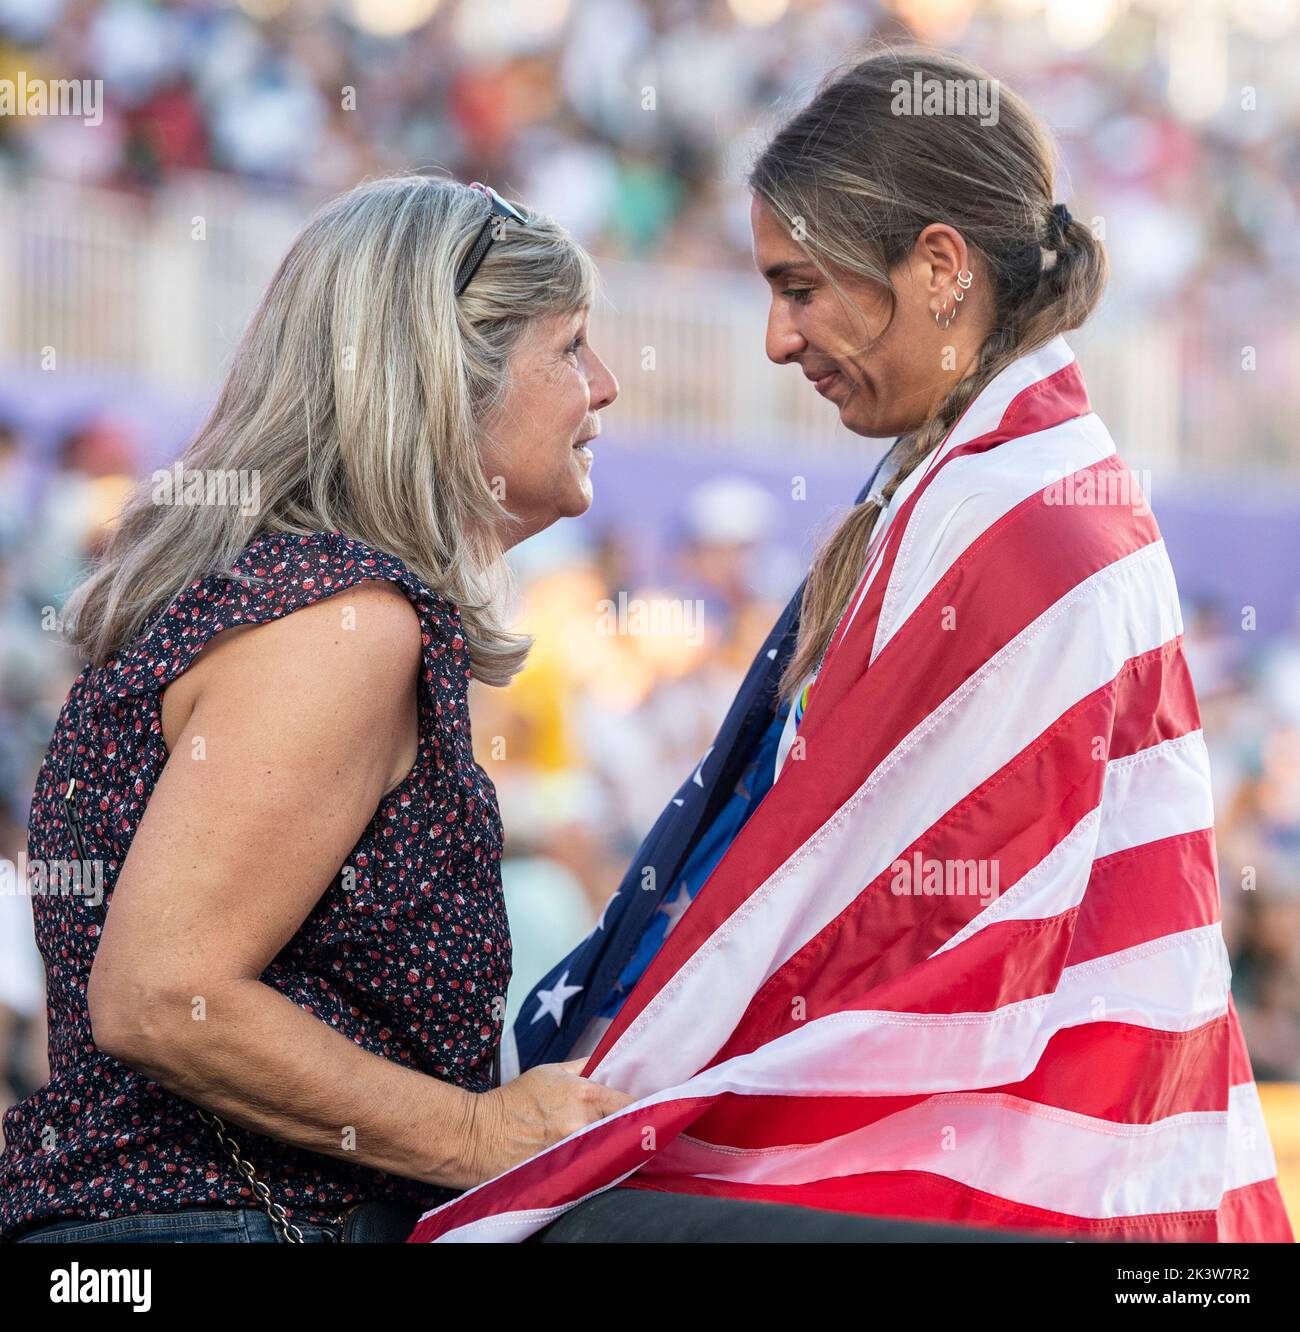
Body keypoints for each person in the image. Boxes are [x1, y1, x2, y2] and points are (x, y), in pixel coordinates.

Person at [474, 48, 1294, 1245]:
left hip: (1035, 1177)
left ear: (942, 267)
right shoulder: (994, 477)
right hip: (1090, 1174)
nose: (774, 337)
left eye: (800, 288)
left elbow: (880, 927)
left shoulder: (1012, 512)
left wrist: (623, 1091)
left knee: (566, 1219)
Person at [1, 174, 629, 1245]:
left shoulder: (301, 599)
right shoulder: (339, 621)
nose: (605, 386)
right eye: (569, 347)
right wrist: (479, 1136)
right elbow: (162, 995)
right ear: (448, 376)